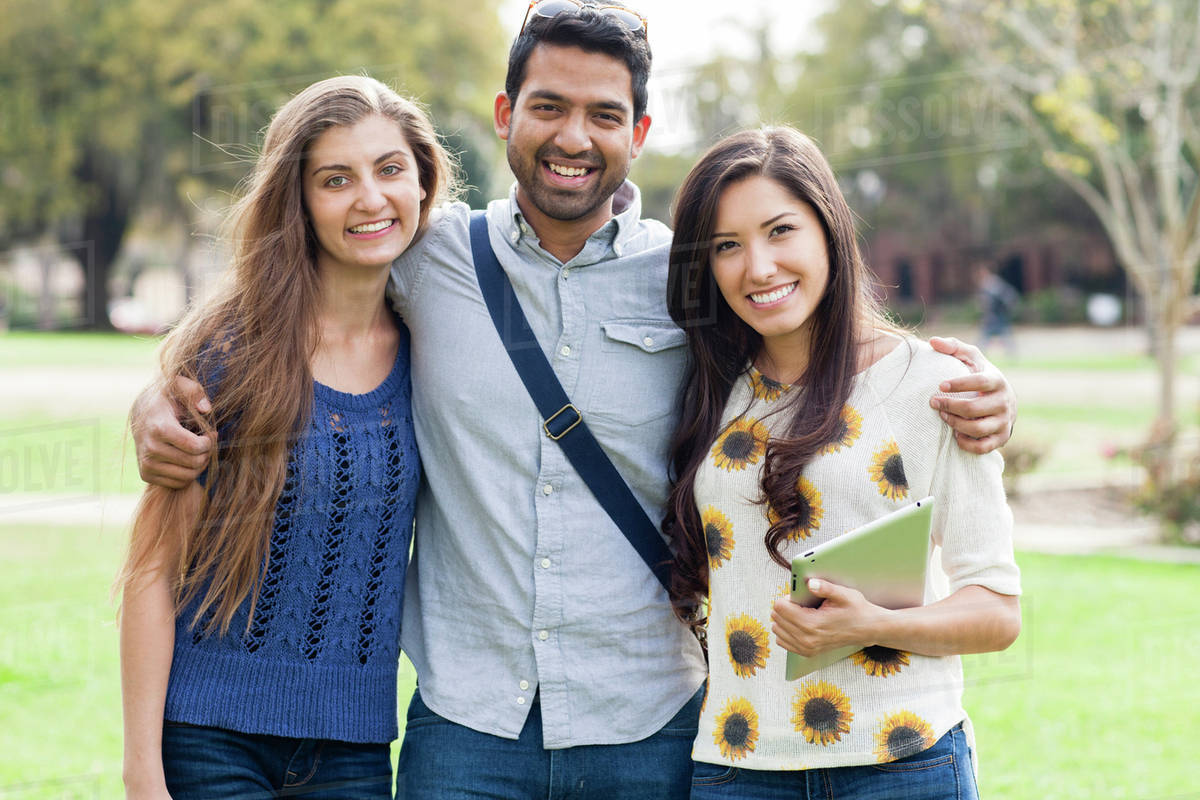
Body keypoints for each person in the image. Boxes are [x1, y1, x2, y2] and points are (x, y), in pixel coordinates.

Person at [129, 4, 1019, 797]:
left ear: (638, 130)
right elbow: (294, 294)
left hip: (650, 725)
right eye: (549, 106)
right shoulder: (424, 255)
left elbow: (809, 337)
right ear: (505, 115)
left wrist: (964, 385)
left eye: (603, 114)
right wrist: (158, 396)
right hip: (466, 729)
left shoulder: (695, 278)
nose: (572, 136)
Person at [116, 75, 455, 799]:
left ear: (423, 182)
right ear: (298, 201)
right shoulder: (230, 352)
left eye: (390, 169)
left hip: (356, 753)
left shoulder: (442, 340)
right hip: (210, 742)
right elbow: (151, 570)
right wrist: (142, 772)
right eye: (337, 179)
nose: (370, 198)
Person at [664, 127, 1022, 799]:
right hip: (738, 768)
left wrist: (874, 625)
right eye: (726, 246)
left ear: (828, 229)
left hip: (903, 763)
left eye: (780, 231)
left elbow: (997, 610)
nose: (758, 267)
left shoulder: (934, 386)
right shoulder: (708, 385)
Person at [977, 263, 1019, 357]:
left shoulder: (993, 284)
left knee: (1004, 336)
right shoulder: (988, 284)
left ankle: (1012, 355)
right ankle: (978, 355)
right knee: (985, 338)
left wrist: (1001, 309)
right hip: (993, 317)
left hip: (997, 316)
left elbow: (997, 300)